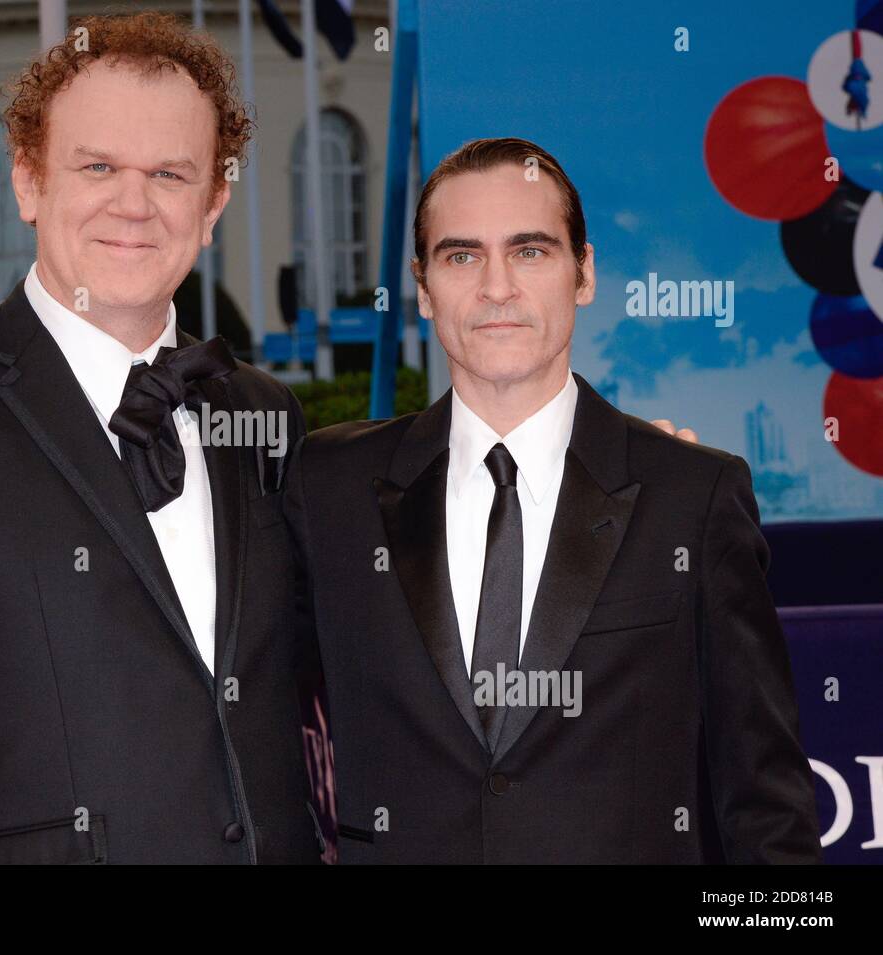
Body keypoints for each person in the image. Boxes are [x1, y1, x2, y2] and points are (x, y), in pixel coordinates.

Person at [0, 12, 320, 864]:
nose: (134, 204)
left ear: (213, 203)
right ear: (29, 181)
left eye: (171, 173)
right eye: (98, 165)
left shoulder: (264, 416)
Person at [283, 137, 822, 863]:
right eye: (462, 255)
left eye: (530, 251)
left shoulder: (692, 495)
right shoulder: (328, 485)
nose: (496, 286)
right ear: (422, 285)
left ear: (585, 272)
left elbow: (765, 804)